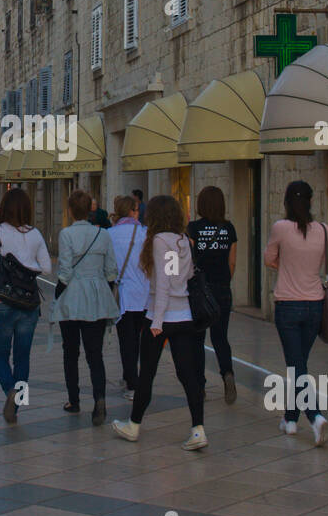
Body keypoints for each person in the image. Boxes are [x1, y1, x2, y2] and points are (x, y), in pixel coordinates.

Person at [112, 195, 209, 451]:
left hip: (161, 317)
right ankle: (198, 429)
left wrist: (157, 321)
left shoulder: (158, 241)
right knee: (188, 374)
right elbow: (185, 275)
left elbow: (164, 283)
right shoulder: (183, 240)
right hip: (184, 315)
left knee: (147, 374)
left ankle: (133, 425)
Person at [0, 188, 52, 424]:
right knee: (23, 358)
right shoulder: (35, 234)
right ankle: (17, 407)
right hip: (29, 304)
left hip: (2, 302)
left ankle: (10, 393)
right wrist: (27, 264)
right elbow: (46, 268)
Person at [263, 181, 328, 446]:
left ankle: (314, 416)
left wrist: (286, 265)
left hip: (288, 304)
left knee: (296, 366)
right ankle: (290, 420)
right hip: (315, 305)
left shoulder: (280, 228)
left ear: (287, 202)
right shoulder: (324, 230)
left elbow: (269, 259)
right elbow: (321, 264)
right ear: (311, 201)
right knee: (299, 364)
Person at [51, 190, 120, 425]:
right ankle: (99, 398)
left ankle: (74, 400)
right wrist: (105, 290)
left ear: (70, 210)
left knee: (70, 352)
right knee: (95, 354)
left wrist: (57, 294)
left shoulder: (66, 234)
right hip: (97, 296)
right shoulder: (103, 234)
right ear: (90, 209)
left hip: (72, 297)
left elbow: (65, 271)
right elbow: (111, 269)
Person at [188, 186, 239, 404]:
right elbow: (233, 261)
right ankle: (227, 373)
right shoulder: (229, 228)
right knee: (220, 337)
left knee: (197, 339)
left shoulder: (193, 228)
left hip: (200, 290)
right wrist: (225, 281)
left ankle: (200, 385)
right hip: (222, 289)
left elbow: (188, 261)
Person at [107, 195, 149, 401]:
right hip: (144, 294)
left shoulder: (110, 234)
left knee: (126, 340)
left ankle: (132, 381)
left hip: (122, 296)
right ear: (132, 211)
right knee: (139, 340)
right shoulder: (145, 234)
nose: (139, 212)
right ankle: (133, 377)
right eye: (137, 209)